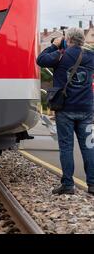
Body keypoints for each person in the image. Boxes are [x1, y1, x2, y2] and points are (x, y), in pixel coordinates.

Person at [37, 27, 94, 195]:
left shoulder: (60, 55)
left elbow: (40, 60)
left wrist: (54, 46)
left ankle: (68, 185)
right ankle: (92, 184)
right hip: (86, 109)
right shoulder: (91, 57)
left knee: (66, 147)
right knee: (89, 147)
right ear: (82, 40)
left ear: (67, 39)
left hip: (65, 109)